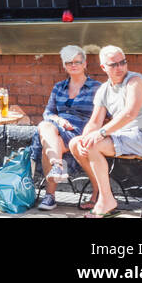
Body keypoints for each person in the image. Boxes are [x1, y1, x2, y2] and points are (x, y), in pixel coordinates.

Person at [69, 45, 142, 218]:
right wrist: (84, 137)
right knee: (76, 143)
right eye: (114, 65)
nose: (120, 68)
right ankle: (101, 193)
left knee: (93, 145)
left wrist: (100, 133)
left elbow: (130, 114)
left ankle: (106, 200)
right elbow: (95, 121)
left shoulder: (135, 81)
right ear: (104, 67)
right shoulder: (104, 89)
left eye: (122, 63)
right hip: (121, 138)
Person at [34, 45, 101, 211]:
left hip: (82, 132)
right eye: (69, 62)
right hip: (58, 130)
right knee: (46, 127)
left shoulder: (96, 87)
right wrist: (59, 119)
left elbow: (102, 114)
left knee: (48, 145)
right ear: (64, 66)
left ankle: (49, 196)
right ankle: (57, 166)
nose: (73, 65)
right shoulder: (59, 87)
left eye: (77, 61)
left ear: (85, 64)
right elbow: (48, 112)